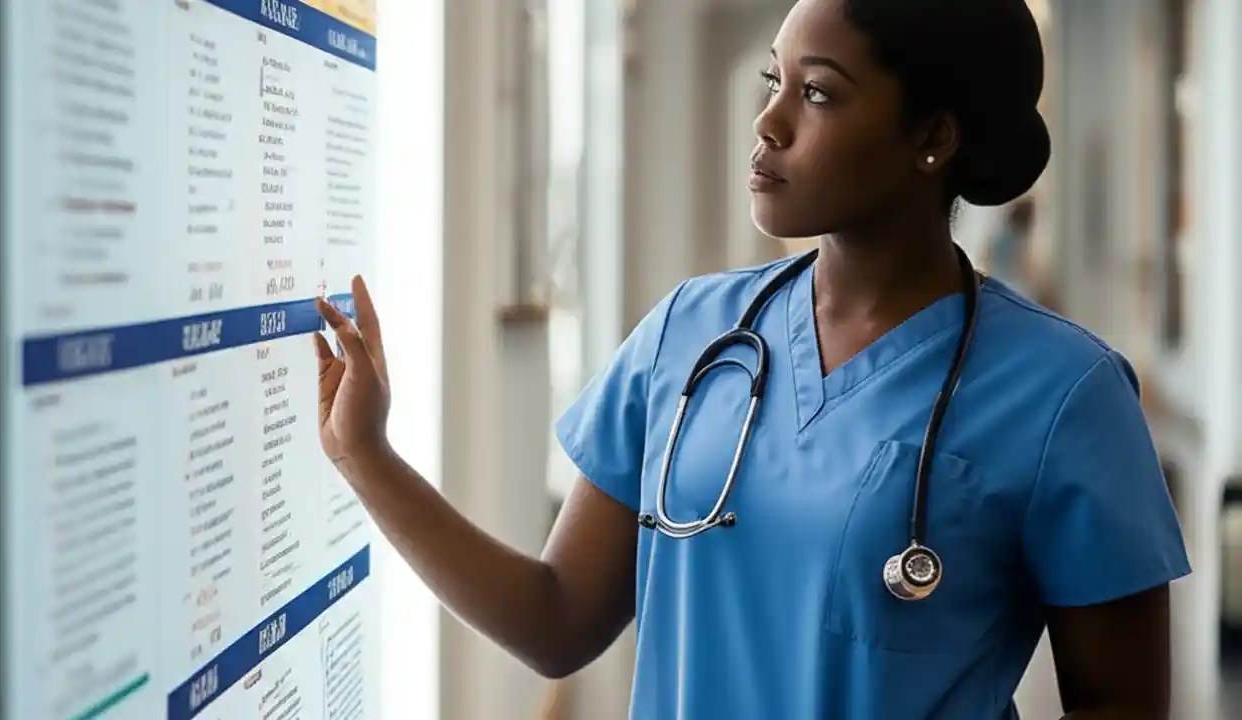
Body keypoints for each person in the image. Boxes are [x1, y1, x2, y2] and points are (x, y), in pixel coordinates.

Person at [311, 0, 1191, 717]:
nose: (767, 122)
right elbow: (556, 623)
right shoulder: (686, 337)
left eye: (818, 94)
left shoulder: (1063, 395)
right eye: (776, 79)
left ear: (933, 136)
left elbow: (1120, 706)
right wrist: (367, 457)